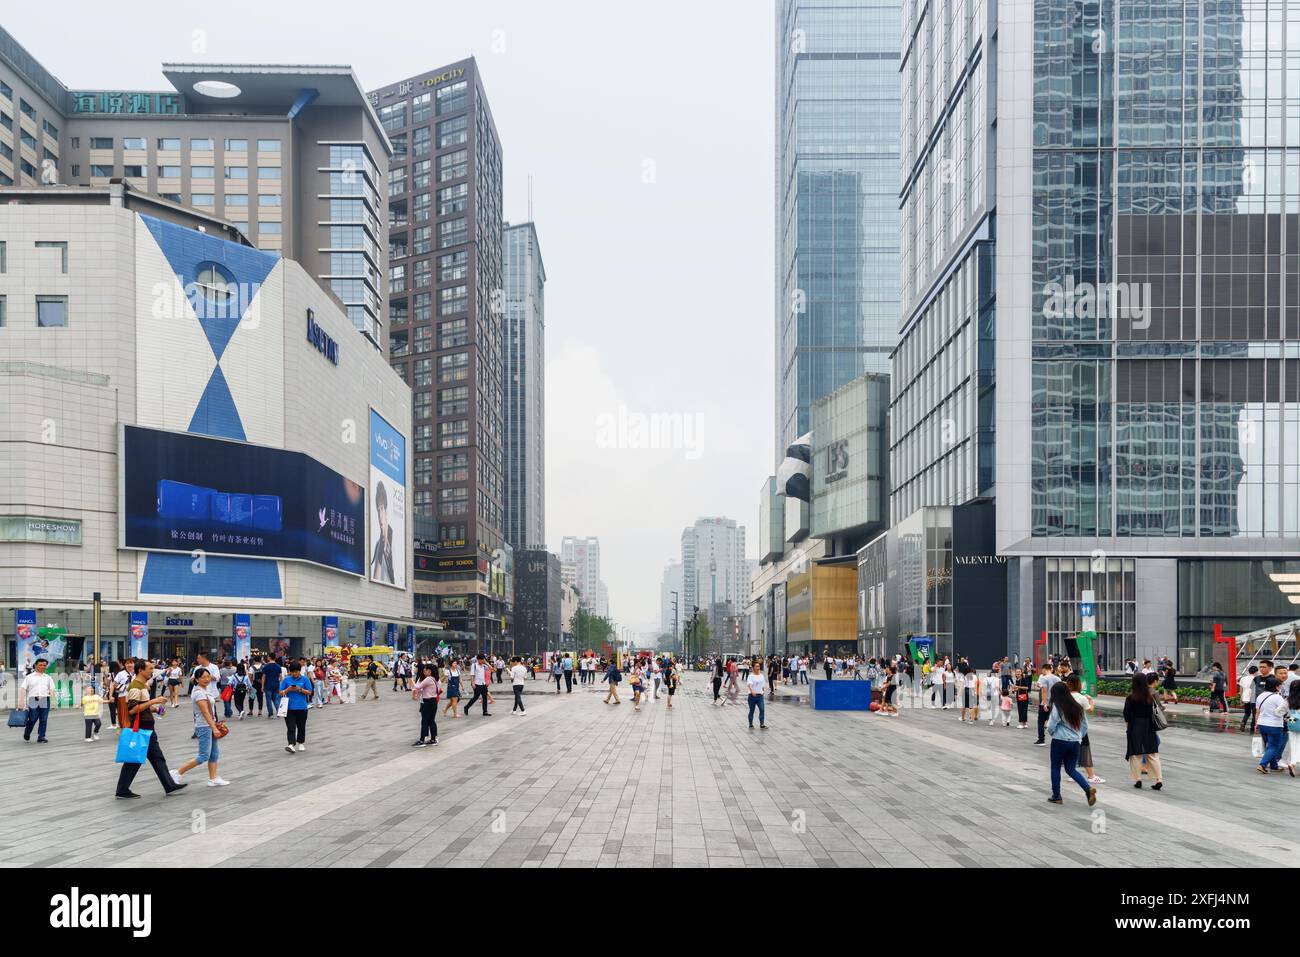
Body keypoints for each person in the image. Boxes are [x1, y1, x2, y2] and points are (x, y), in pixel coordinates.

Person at [115, 659, 188, 799]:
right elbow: (132, 710)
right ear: (140, 670)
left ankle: (168, 785)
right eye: (149, 668)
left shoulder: (141, 685)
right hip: (142, 728)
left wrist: (155, 709)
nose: (151, 671)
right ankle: (123, 790)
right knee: (138, 760)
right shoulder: (136, 687)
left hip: (146, 726)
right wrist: (153, 701)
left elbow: (143, 707)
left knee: (151, 759)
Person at [172, 669, 229, 787]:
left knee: (214, 754)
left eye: (208, 676)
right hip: (204, 726)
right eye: (203, 677)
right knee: (204, 755)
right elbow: (205, 712)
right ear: (197, 679)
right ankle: (177, 773)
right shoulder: (199, 692)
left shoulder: (205, 690)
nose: (207, 679)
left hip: (209, 724)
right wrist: (214, 728)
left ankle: (213, 778)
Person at [1046, 682, 1096, 807]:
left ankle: (1056, 796)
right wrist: (1079, 736)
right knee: (1071, 769)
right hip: (1075, 742)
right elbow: (1085, 725)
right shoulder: (1077, 706)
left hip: (1060, 740)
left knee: (1055, 767)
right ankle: (1087, 789)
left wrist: (1052, 733)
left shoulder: (1058, 706)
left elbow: (1052, 724)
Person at [1123, 673, 1164, 790]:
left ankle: (1138, 779)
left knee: (1136, 754)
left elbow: (1126, 715)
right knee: (1153, 753)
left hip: (1135, 725)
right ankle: (1159, 779)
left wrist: (1128, 729)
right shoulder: (1150, 697)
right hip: (1149, 726)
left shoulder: (1130, 697)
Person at [1066, 673, 1103, 784]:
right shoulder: (1081, 698)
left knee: (1072, 751)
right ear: (1078, 684)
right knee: (1085, 750)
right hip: (1080, 728)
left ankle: (1072, 772)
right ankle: (1091, 776)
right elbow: (1090, 710)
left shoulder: (1065, 697)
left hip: (1067, 727)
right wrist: (1091, 701)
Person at [1254, 675, 1289, 774]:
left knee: (1269, 746)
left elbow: (1258, 711)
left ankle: (1274, 766)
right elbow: (1284, 711)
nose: (1281, 687)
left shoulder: (1260, 696)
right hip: (1274, 725)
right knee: (1274, 746)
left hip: (1262, 723)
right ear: (1276, 686)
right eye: (1280, 685)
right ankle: (1262, 764)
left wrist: (1256, 723)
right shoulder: (1277, 697)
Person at [279, 660, 313, 753]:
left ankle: (301, 742)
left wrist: (300, 689)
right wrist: (288, 689)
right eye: (293, 672)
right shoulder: (286, 680)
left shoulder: (305, 679)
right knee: (291, 727)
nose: (294, 674)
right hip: (289, 708)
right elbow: (280, 693)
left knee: (301, 726)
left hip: (302, 707)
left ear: (299, 670)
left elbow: (309, 691)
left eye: (296, 671)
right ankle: (291, 744)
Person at [19, 658, 55, 743]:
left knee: (43, 719)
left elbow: (52, 689)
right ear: (35, 665)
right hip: (33, 700)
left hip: (45, 699)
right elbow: (23, 689)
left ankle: (41, 737)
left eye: (44, 665)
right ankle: (27, 732)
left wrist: (53, 702)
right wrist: (21, 702)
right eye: (41, 665)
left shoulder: (48, 678)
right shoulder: (29, 677)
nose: (43, 667)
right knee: (33, 718)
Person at [412, 663, 442, 746]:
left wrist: (412, 682)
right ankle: (433, 739)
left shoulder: (428, 679)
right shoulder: (437, 679)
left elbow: (418, 687)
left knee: (425, 721)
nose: (424, 671)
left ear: (429, 671)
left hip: (427, 701)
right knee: (431, 720)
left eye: (425, 670)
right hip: (434, 701)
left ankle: (422, 740)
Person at [1035, 663, 1059, 746]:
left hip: (1046, 703)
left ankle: (1041, 740)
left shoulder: (1044, 678)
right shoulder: (1057, 678)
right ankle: (1056, 739)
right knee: (1055, 721)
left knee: (1041, 721)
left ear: (1045, 669)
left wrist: (1044, 703)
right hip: (1055, 703)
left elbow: (1044, 691)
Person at [746, 660, 768, 730]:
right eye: (756, 666)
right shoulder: (751, 676)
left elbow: (763, 684)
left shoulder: (761, 676)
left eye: (759, 666)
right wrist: (752, 691)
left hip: (760, 696)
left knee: (762, 709)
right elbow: (749, 684)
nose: (758, 667)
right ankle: (750, 724)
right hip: (752, 696)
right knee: (752, 710)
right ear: (753, 667)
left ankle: (762, 724)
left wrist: (763, 689)